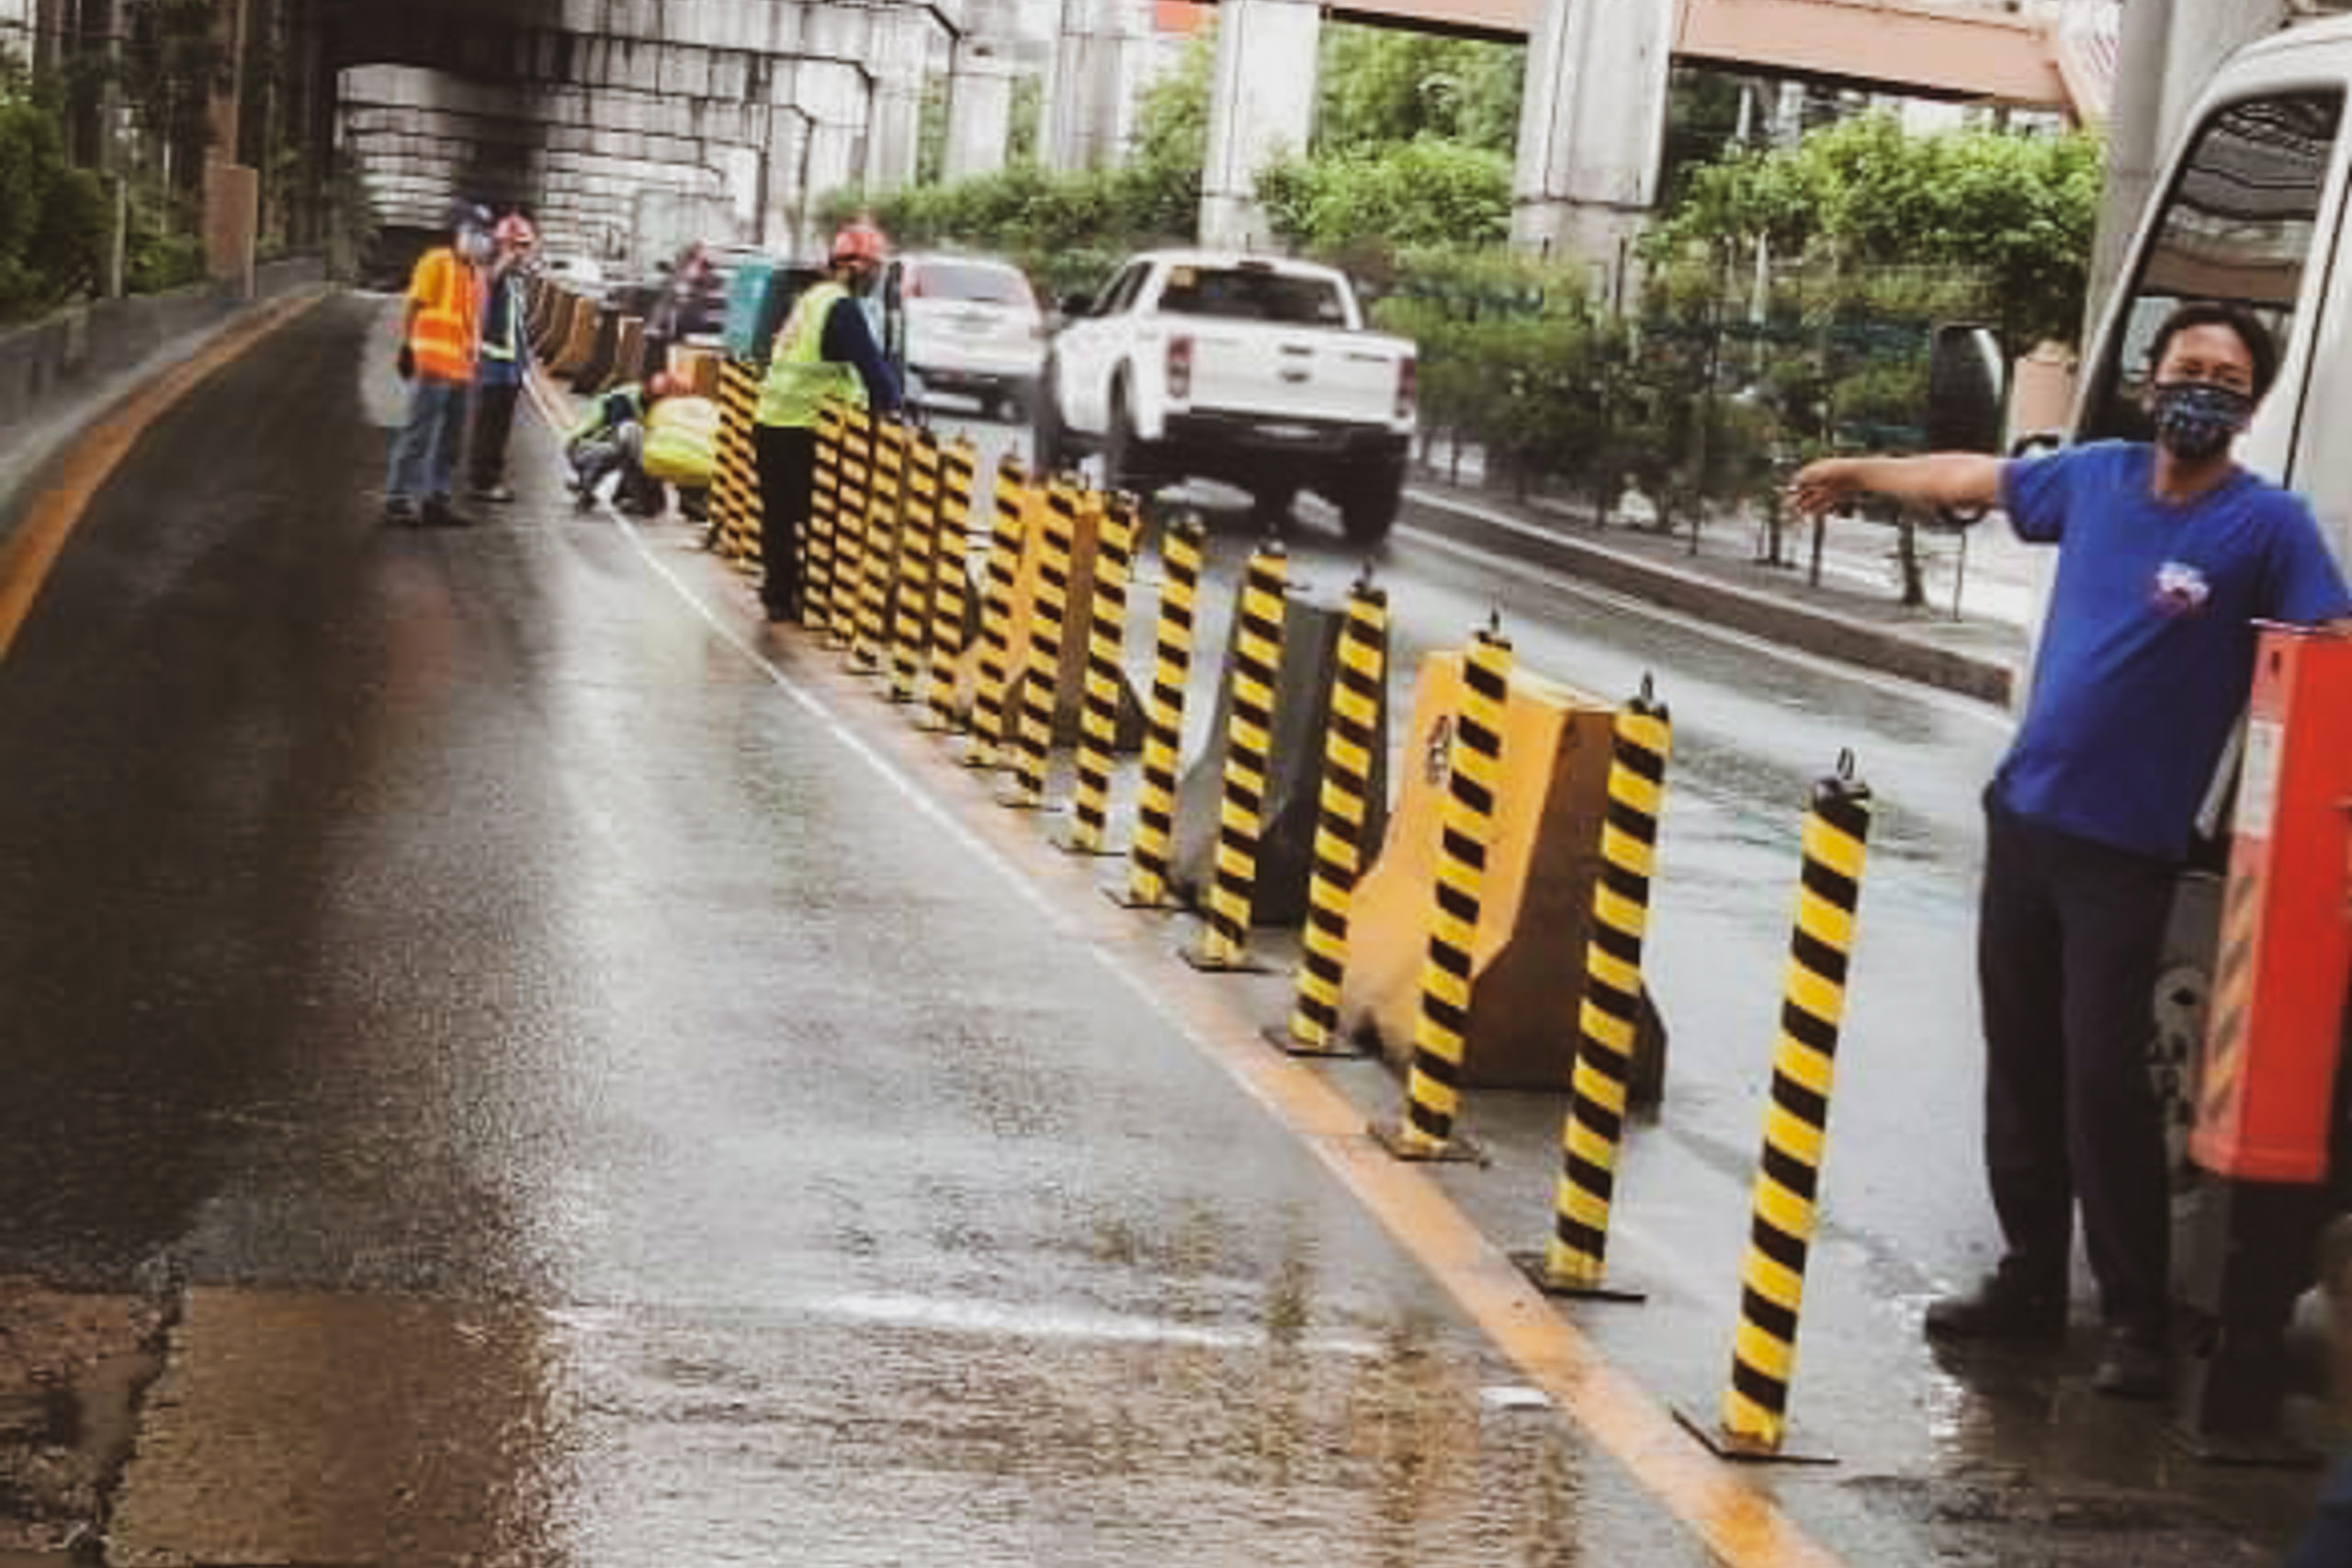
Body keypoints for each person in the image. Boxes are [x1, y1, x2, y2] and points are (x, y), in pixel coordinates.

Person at [1787, 301, 2352, 1402]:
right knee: (2022, 1063)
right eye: (2187, 368)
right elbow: (1971, 477)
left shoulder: (2266, 526)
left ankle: (2135, 1318)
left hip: (2125, 851)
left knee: (2103, 1082)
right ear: (2149, 380)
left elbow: (2329, 640)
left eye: (2225, 380)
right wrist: (1856, 471)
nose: (2201, 391)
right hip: (2027, 819)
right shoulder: (2094, 478)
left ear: (2250, 407)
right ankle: (2029, 1283)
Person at [751, 220, 902, 622]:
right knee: (825, 515)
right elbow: (872, 367)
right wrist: (893, 407)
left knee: (779, 516)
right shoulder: (842, 307)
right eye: (872, 268)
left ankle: (778, 595)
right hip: (806, 428)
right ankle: (818, 597)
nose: (874, 278)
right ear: (853, 268)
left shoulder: (811, 298)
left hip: (770, 421)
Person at [385, 200, 492, 526]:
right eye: (474, 231)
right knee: (418, 435)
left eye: (484, 233)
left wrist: (474, 360)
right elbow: (415, 305)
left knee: (451, 441)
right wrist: (407, 346)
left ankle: (436, 500)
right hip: (432, 365)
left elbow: (471, 324)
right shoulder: (436, 262)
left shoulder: (474, 274)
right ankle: (398, 499)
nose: (481, 239)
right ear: (458, 231)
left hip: (460, 370)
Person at [467, 212, 537, 504]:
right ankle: (482, 480)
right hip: (494, 363)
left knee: (500, 426)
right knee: (489, 424)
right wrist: (507, 258)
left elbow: (518, 325)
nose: (524, 252)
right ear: (505, 245)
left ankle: (492, 477)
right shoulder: (492, 274)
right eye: (519, 245)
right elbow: (488, 282)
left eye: (526, 245)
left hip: (512, 366)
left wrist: (524, 365)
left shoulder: (518, 281)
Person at [566, 372, 685, 515]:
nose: (659, 402)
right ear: (647, 388)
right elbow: (622, 439)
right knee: (629, 440)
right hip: (585, 446)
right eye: (658, 397)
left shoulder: (648, 405)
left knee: (635, 448)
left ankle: (629, 496)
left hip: (604, 445)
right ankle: (587, 487)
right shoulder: (623, 401)